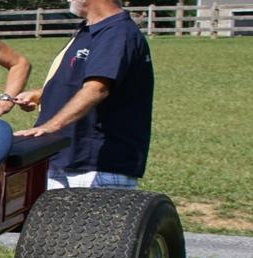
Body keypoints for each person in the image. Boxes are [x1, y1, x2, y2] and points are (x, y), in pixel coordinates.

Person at [13, 0, 153, 189]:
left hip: (95, 166)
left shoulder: (118, 33)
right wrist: (42, 94)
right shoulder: (89, 31)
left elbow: (98, 88)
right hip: (65, 159)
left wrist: (50, 127)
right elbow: (79, 81)